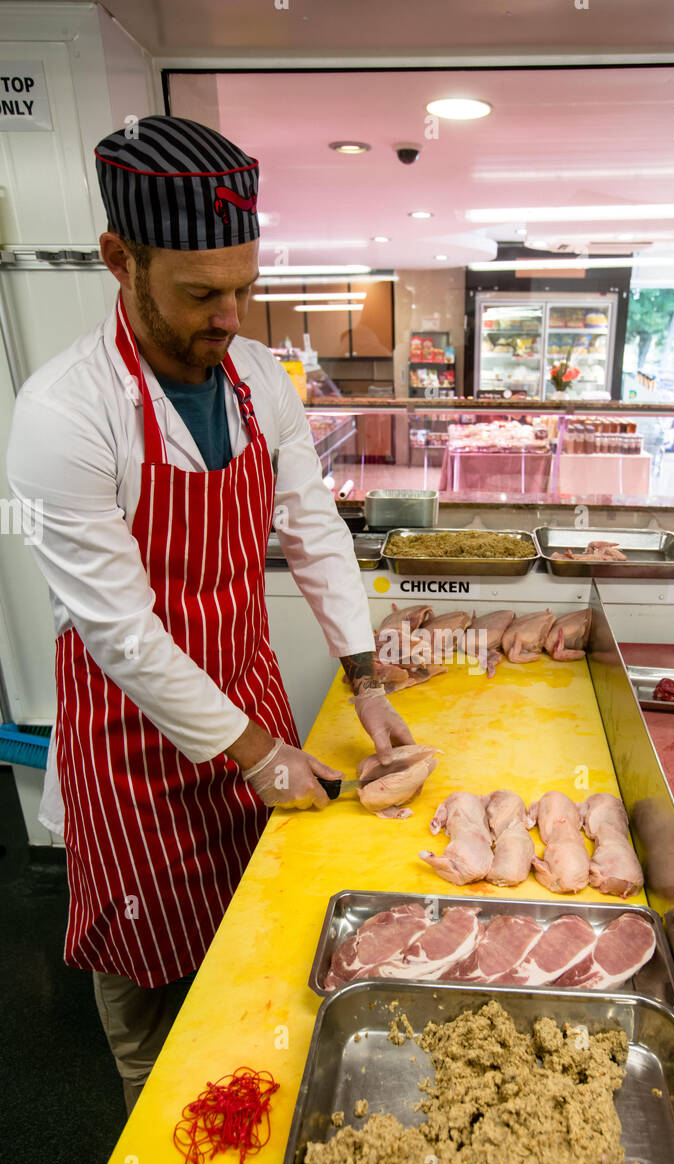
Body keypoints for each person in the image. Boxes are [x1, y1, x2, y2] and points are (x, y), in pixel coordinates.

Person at [6, 116, 414, 1112]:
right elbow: (123, 633)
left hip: (243, 687)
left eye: (243, 286)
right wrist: (260, 754)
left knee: (255, 924)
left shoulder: (256, 380)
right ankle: (151, 1148)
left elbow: (311, 525)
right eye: (199, 294)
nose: (229, 314)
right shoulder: (64, 413)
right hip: (130, 735)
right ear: (119, 260)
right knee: (145, 967)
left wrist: (364, 676)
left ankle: (257, 1080)